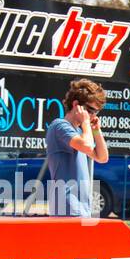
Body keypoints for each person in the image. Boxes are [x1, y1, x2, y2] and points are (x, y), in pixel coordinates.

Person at [45, 79, 108, 218]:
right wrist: (86, 123)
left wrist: (97, 130)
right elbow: (87, 146)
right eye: (90, 110)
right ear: (76, 105)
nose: (93, 116)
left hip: (82, 209)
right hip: (67, 208)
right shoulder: (59, 126)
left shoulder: (80, 133)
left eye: (96, 112)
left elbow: (102, 157)